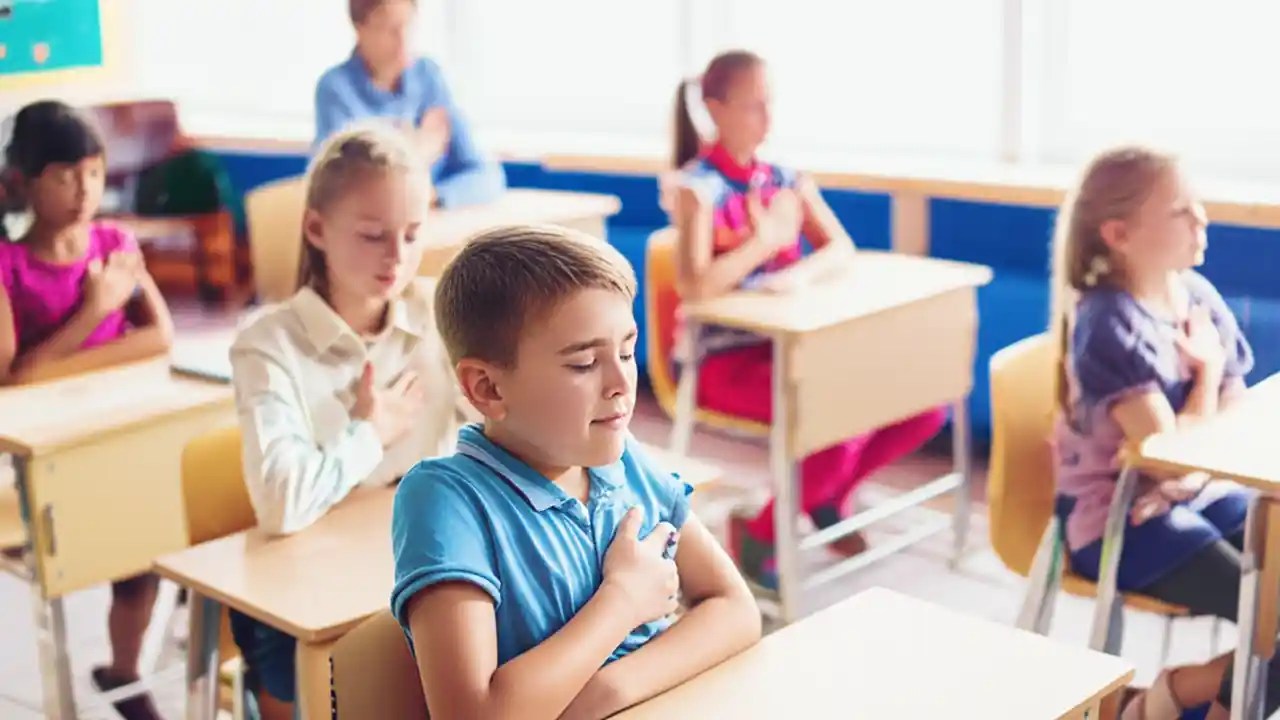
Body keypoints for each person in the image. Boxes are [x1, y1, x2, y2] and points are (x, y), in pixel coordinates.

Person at [391, 225, 761, 719]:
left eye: (627, 353)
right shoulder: (446, 499)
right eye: (584, 363)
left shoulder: (622, 460)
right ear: (488, 389)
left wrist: (605, 693)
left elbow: (736, 610)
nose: (621, 384)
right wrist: (623, 602)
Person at [668, 50, 946, 588]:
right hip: (723, 361)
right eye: (753, 106)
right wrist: (766, 243)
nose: (766, 119)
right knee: (837, 426)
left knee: (922, 405)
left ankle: (825, 496)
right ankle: (762, 531)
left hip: (798, 350)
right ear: (715, 109)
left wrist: (799, 276)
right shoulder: (696, 188)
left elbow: (838, 246)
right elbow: (694, 287)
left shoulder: (785, 179)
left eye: (770, 104)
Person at [229, 124, 466, 720]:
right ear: (316, 229)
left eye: (413, 234)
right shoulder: (269, 344)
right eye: (372, 235)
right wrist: (369, 434)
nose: (397, 256)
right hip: (306, 589)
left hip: (416, 564)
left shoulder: (439, 313)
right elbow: (281, 503)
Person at [1050, 146, 1270, 719]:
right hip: (1119, 521)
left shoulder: (1194, 294)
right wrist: (1209, 374)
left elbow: (1230, 415)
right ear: (1120, 234)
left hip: (1192, 495)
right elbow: (1165, 456)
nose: (1201, 217)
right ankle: (1169, 704)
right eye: (1181, 210)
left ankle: (1172, 697)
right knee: (1269, 615)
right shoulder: (1107, 323)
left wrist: (1189, 461)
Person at [1, 100, 174, 720]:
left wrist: (59, 359)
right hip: (48, 450)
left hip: (119, 428)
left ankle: (123, 670)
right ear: (24, 180)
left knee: (149, 546)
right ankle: (116, 666)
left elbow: (160, 339)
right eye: (65, 174)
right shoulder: (8, 264)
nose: (84, 190)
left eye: (95, 172)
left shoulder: (113, 242)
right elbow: (13, 379)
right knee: (125, 542)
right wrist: (98, 313)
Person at [313, 0, 505, 208]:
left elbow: (487, 176)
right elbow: (338, 190)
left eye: (409, 26)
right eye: (389, 29)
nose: (403, 40)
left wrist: (434, 197)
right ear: (359, 28)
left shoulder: (429, 77)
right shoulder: (335, 88)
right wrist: (418, 152)